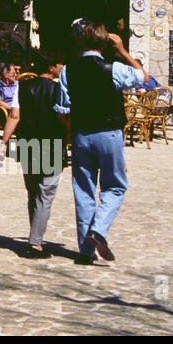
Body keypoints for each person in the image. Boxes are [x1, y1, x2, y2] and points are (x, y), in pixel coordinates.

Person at [59, 21, 143, 265]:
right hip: (109, 133)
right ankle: (98, 230)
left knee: (83, 190)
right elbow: (143, 78)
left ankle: (86, 251)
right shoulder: (114, 68)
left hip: (82, 134)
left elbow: (64, 109)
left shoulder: (68, 70)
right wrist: (123, 51)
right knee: (115, 187)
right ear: (105, 42)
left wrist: (69, 135)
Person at [0, 53, 67, 258]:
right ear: (52, 68)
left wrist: (4, 141)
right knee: (46, 192)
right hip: (52, 143)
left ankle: (34, 234)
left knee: (33, 191)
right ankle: (35, 243)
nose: (62, 68)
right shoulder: (59, 89)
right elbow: (63, 117)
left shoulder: (22, 87)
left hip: (28, 142)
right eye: (60, 64)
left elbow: (14, 115)